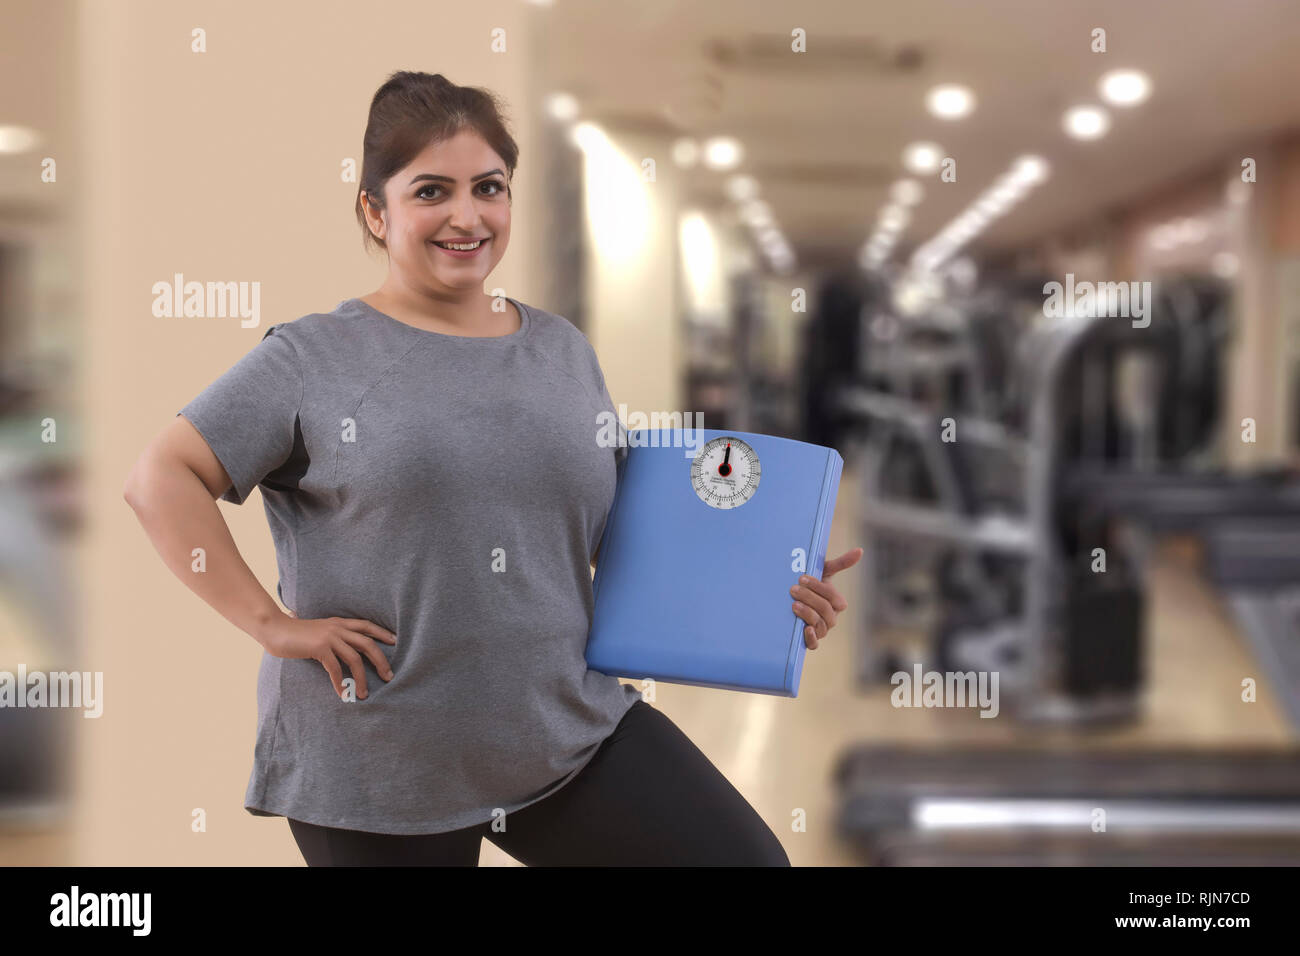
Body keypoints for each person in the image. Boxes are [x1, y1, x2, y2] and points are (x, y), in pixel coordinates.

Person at [123, 70, 862, 866]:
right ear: (375, 210)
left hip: (564, 730)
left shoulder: (561, 350)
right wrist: (273, 627)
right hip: (381, 755)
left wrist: (769, 594)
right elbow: (162, 477)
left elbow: (623, 537)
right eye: (431, 191)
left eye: (489, 186)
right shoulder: (312, 358)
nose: (467, 216)